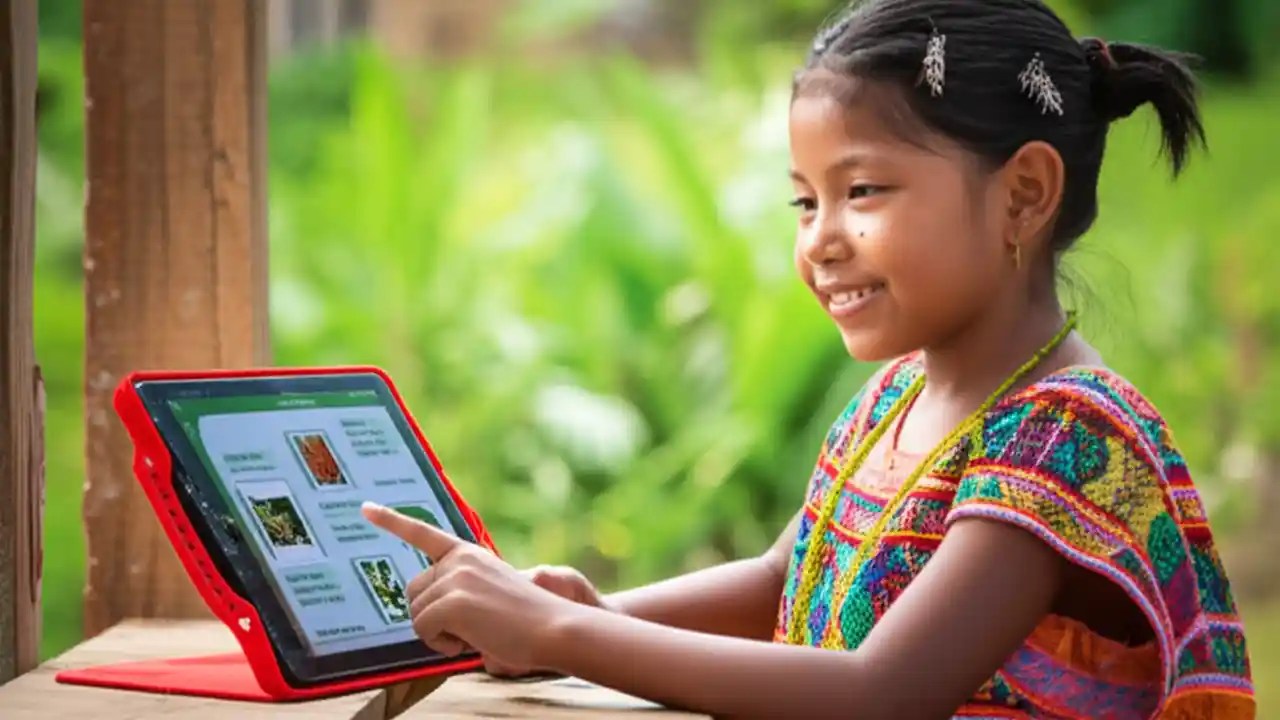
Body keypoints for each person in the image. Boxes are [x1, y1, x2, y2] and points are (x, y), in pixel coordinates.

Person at [362, 0, 1256, 716]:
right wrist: (590, 613)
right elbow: (779, 581)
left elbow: (884, 690)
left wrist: (559, 631)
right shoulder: (894, 399)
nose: (822, 240)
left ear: (1022, 195)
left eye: (862, 191)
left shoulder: (1069, 438)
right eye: (804, 202)